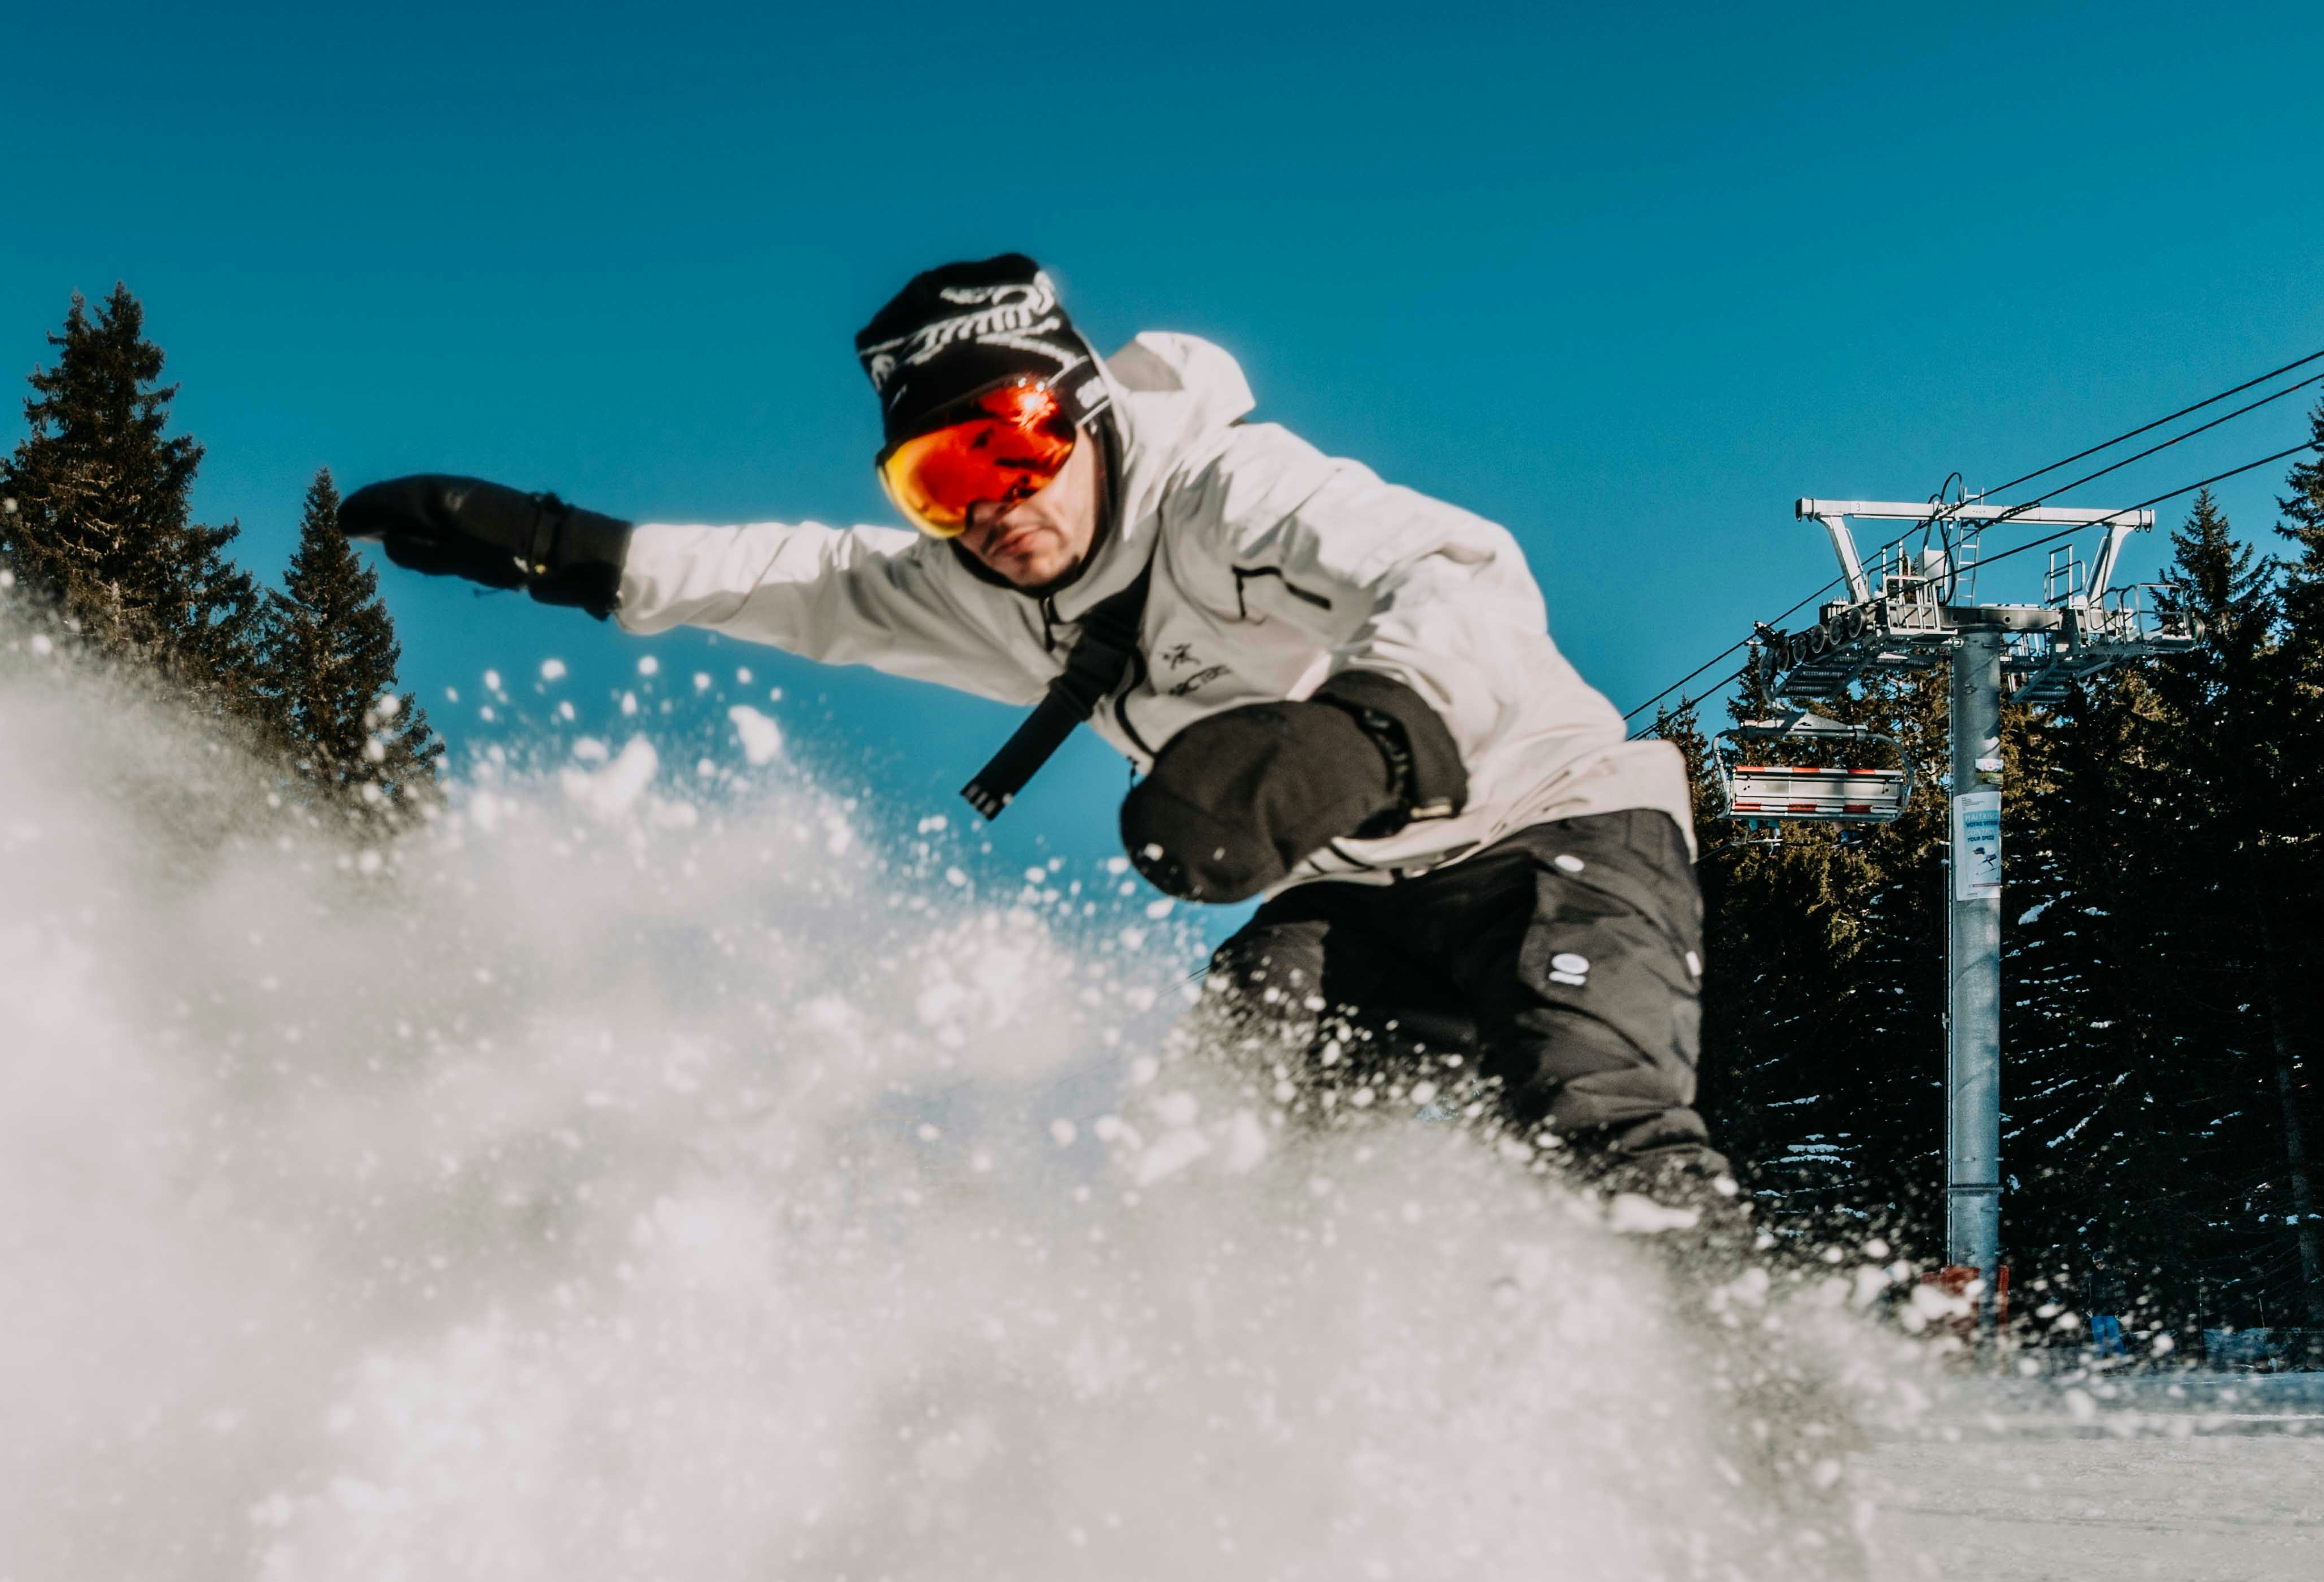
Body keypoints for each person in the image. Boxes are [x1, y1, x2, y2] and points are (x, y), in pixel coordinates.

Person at [336, 255, 1742, 1230]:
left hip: (1556, 826)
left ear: (1081, 411)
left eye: (1010, 446)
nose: (994, 504)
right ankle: (1269, 1457)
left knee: (1593, 1110)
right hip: (1365, 896)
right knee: (1214, 1132)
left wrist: (1360, 740)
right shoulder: (996, 594)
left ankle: (1781, 1481)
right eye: (938, 479)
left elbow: (1462, 575)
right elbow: (799, 579)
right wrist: (555, 546)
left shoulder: (1231, 492)